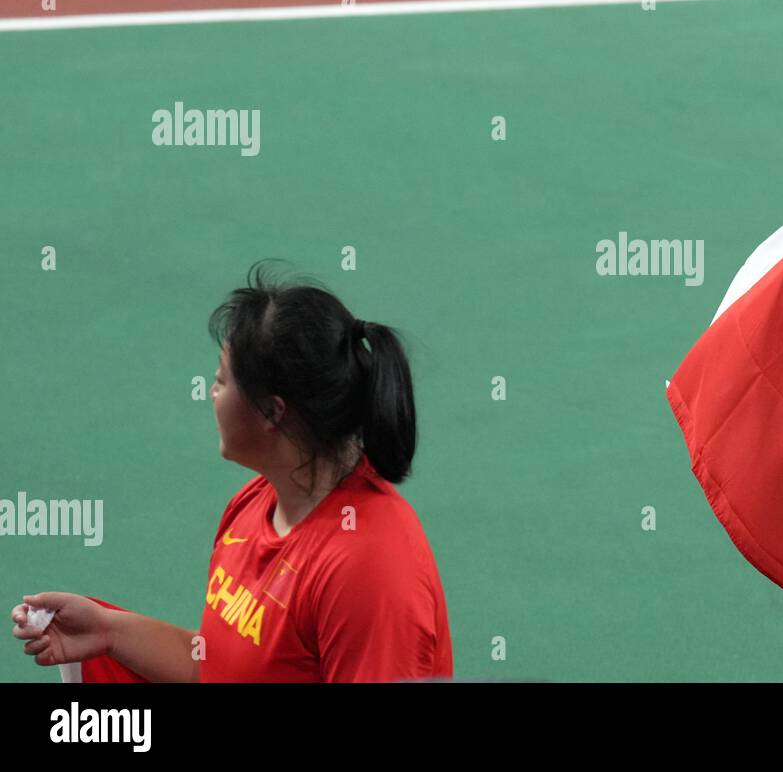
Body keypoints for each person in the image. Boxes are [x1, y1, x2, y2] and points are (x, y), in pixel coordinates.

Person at [11, 260, 453, 682]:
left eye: (223, 380)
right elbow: (221, 668)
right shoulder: (256, 504)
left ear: (271, 412)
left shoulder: (367, 568)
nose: (210, 391)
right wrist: (109, 631)